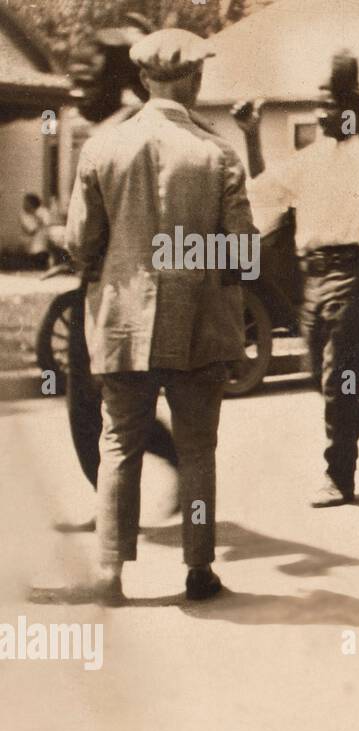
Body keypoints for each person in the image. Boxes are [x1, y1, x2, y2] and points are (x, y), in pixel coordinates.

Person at [64, 29, 254, 603]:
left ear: (144, 79)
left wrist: (116, 264)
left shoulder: (102, 148)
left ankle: (111, 572)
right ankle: (198, 568)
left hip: (123, 321)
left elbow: (79, 243)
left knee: (119, 442)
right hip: (199, 322)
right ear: (194, 80)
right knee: (198, 449)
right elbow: (242, 251)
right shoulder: (219, 151)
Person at [236, 50, 359, 508]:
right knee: (326, 380)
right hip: (313, 281)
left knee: (337, 379)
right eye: (318, 104)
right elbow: (265, 188)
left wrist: (357, 119)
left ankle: (339, 476)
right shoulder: (311, 158)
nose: (322, 113)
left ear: (352, 108)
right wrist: (250, 135)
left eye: (332, 105)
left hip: (354, 277)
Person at [58, 18, 181, 506]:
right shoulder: (127, 124)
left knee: (100, 402)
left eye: (90, 79)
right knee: (99, 401)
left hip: (118, 286)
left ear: (119, 80)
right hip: (112, 282)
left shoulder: (122, 128)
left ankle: (117, 506)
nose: (78, 91)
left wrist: (72, 242)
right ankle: (116, 499)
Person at [19, 194, 51, 269]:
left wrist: (37, 217)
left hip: (42, 245)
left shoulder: (43, 211)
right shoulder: (24, 215)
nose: (24, 205)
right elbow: (31, 229)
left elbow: (47, 223)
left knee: (41, 258)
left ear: (32, 203)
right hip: (29, 245)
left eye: (27, 203)